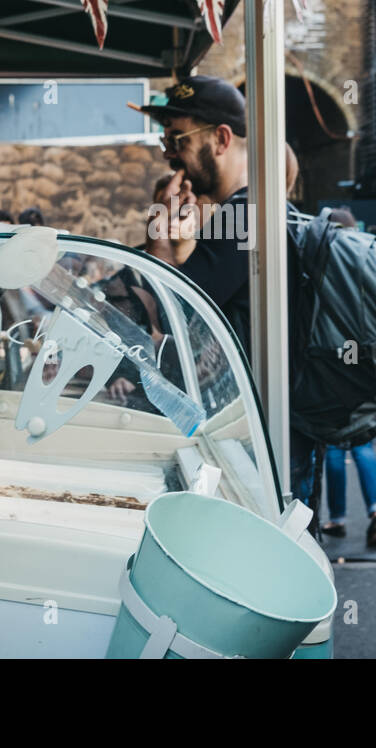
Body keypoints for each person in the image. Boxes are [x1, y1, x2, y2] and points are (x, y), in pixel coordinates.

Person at [136, 77, 320, 524]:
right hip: (268, 435)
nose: (168, 154)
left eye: (177, 139)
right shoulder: (253, 210)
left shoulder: (247, 216)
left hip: (263, 442)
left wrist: (160, 227)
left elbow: (172, 311)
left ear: (221, 139)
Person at [317, 208, 376, 547]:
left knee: (333, 443)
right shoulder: (369, 264)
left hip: (335, 361)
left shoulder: (325, 267)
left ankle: (338, 517)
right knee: (363, 442)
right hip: (365, 362)